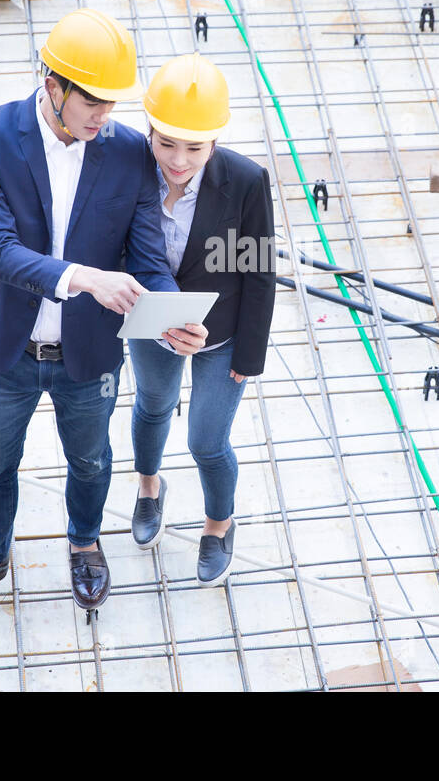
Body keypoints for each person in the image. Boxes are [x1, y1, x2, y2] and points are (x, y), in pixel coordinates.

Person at [0, 9, 208, 614]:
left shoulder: (128, 152)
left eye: (111, 103)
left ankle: (83, 545)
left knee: (90, 458)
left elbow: (148, 255)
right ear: (53, 86)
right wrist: (87, 279)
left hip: (88, 350)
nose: (105, 116)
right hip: (8, 347)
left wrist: (169, 313)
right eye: (92, 103)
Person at [127, 53, 276, 586]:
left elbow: (259, 271)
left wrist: (248, 356)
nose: (178, 159)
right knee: (152, 408)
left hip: (221, 335)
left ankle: (218, 523)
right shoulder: (129, 168)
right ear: (149, 130)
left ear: (215, 140)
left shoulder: (245, 182)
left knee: (207, 440)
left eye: (194, 147)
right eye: (166, 142)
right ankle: (149, 488)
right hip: (152, 323)